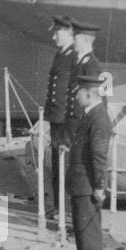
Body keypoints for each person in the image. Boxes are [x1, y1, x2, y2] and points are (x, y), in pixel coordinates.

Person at [65, 73, 112, 250]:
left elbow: (99, 155)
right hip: (80, 180)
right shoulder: (91, 114)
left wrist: (99, 186)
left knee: (88, 227)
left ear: (89, 94)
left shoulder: (99, 117)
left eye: (79, 93)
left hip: (88, 182)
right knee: (80, 225)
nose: (76, 97)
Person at [43, 16, 76, 216]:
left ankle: (68, 210)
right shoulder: (60, 54)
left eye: (57, 32)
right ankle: (59, 206)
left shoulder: (74, 56)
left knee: (67, 165)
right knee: (57, 165)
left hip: (66, 119)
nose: (54, 36)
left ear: (68, 33)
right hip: (57, 118)